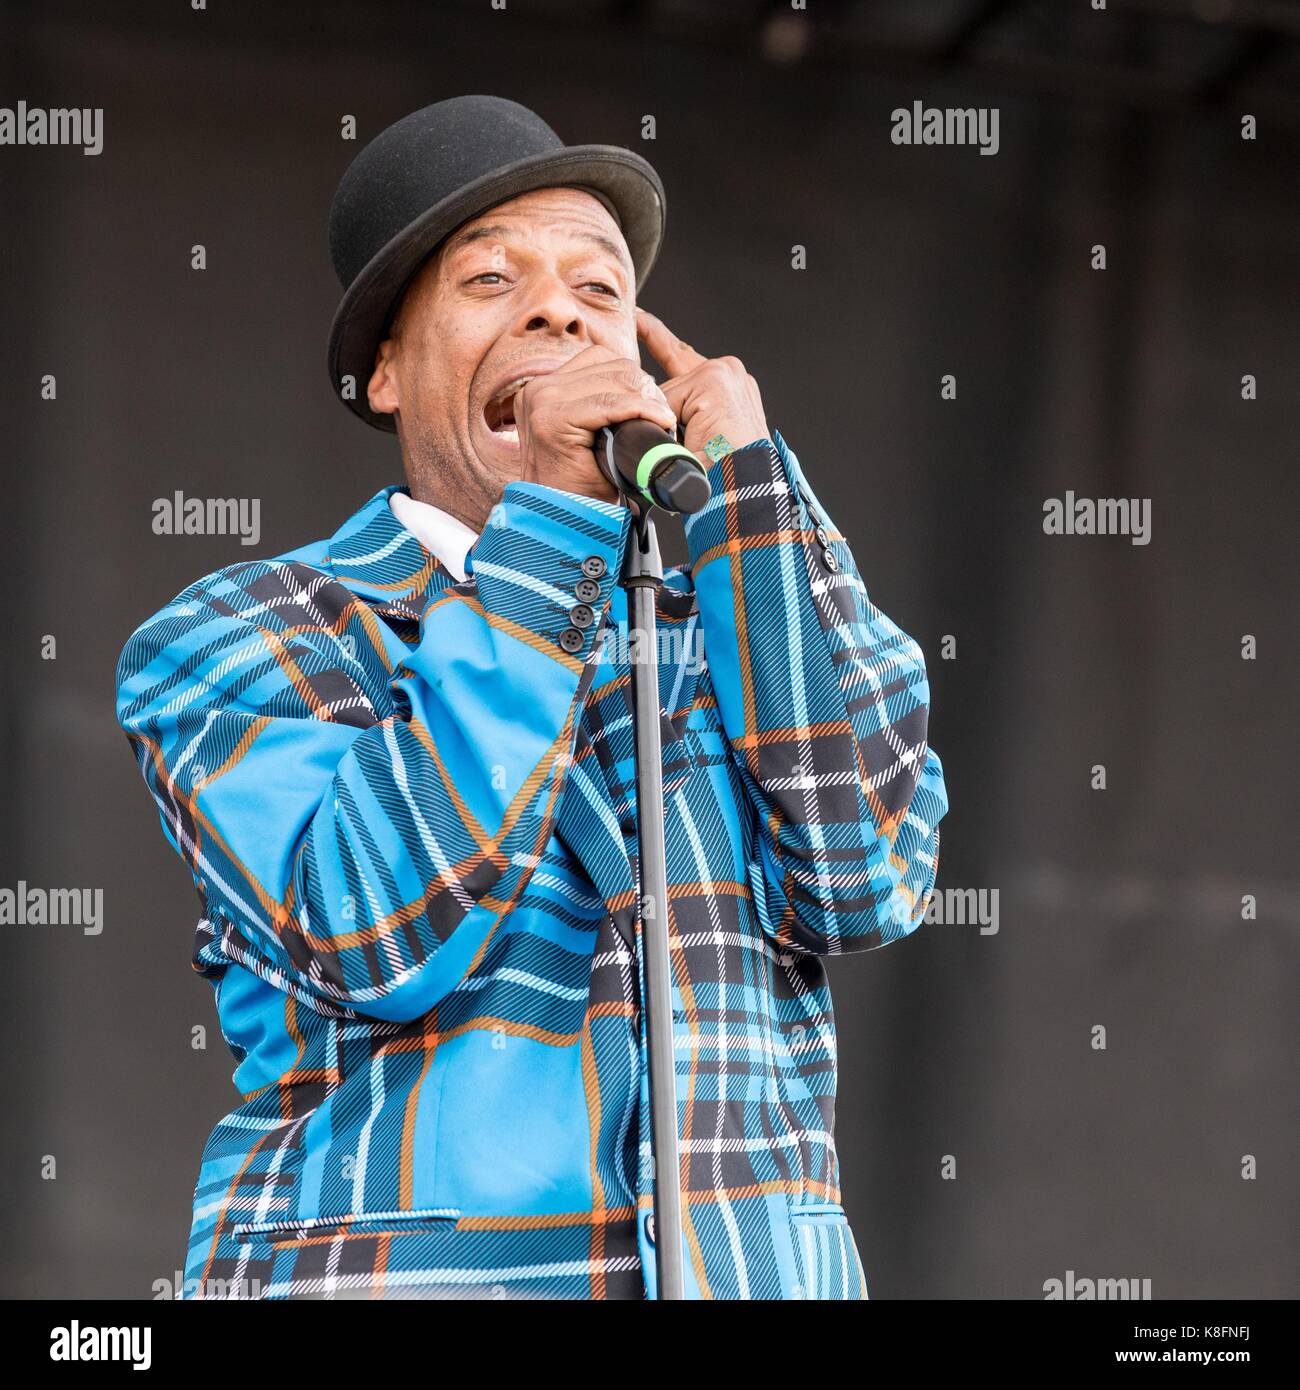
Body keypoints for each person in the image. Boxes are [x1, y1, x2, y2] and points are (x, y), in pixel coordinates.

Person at [115, 94, 948, 1300]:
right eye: (490, 279)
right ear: (387, 372)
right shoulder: (239, 636)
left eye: (598, 290)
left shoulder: (720, 614)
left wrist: (752, 503)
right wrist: (550, 529)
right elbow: (372, 932)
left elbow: (864, 871)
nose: (559, 309)